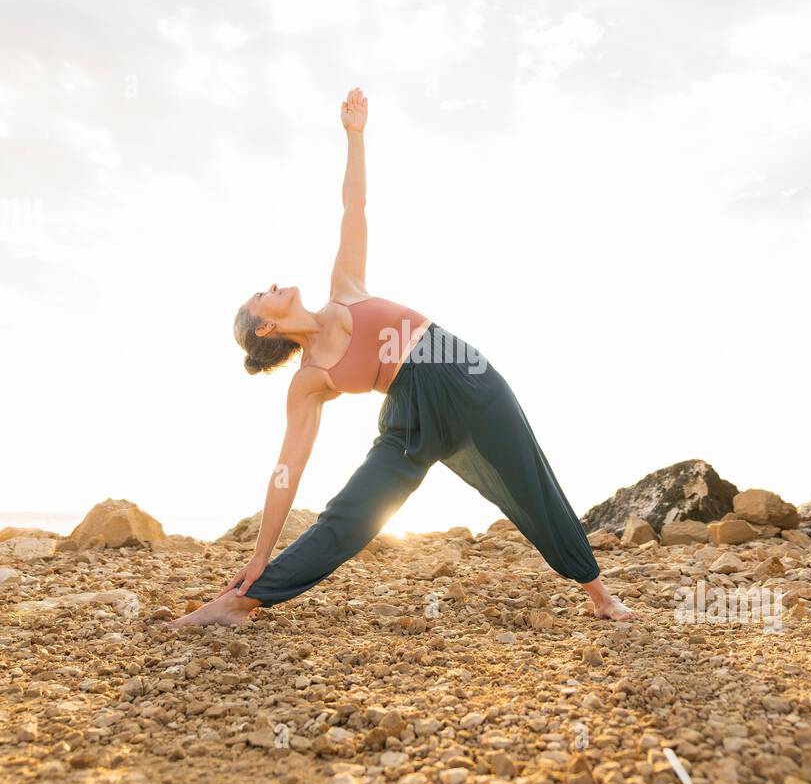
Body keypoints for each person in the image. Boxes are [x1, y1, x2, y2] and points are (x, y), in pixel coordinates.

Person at [169, 87, 632, 629]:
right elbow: (285, 471)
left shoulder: (344, 286)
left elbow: (354, 205)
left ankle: (600, 594)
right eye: (259, 296)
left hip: (462, 373)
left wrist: (355, 136)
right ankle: (241, 601)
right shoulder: (310, 381)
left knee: (531, 481)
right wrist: (258, 553)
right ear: (266, 326)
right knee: (352, 514)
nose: (270, 286)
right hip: (410, 417)